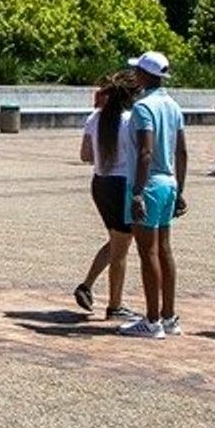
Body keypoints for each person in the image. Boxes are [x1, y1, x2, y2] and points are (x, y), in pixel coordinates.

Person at [123, 51, 189, 339]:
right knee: (164, 249)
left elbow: (145, 151)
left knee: (147, 251)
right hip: (169, 182)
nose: (134, 75)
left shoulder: (143, 107)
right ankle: (169, 316)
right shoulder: (173, 106)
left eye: (138, 70)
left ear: (146, 75)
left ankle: (151, 321)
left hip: (148, 183)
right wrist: (180, 189)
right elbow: (182, 151)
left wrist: (137, 193)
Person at [73, 70, 141, 322]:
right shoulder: (131, 120)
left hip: (100, 183)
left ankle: (87, 285)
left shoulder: (95, 117)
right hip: (122, 184)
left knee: (116, 240)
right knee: (121, 248)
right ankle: (115, 305)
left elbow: (85, 155)